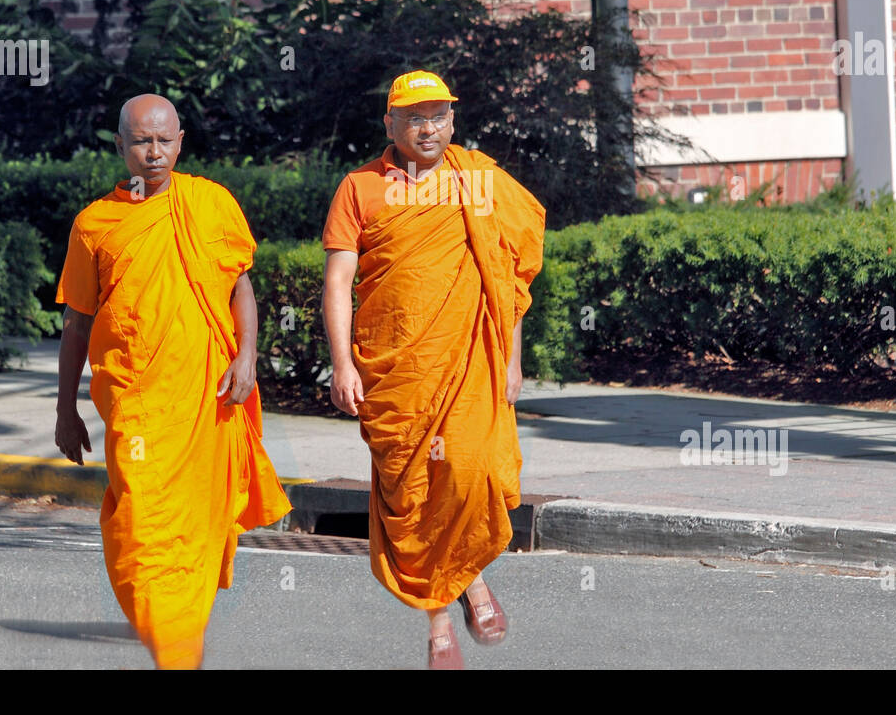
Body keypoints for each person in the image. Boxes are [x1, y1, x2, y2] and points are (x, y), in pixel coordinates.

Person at [54, 93, 291, 669]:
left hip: (209, 397)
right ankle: (172, 634)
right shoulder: (96, 225)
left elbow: (239, 288)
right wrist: (66, 409)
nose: (154, 152)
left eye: (164, 140)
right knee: (138, 527)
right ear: (120, 147)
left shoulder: (210, 203)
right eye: (141, 141)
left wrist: (248, 357)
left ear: (181, 141)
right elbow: (77, 323)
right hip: (137, 406)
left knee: (198, 527)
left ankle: (178, 643)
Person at [321, 70, 546, 669]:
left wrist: (511, 358)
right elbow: (339, 283)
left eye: (439, 116)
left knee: (472, 476)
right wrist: (341, 364)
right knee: (412, 496)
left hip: (469, 362)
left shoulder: (476, 180)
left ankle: (467, 578)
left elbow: (508, 279)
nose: (429, 128)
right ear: (389, 124)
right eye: (415, 118)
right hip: (394, 372)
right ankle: (442, 616)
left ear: (453, 119)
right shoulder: (359, 188)